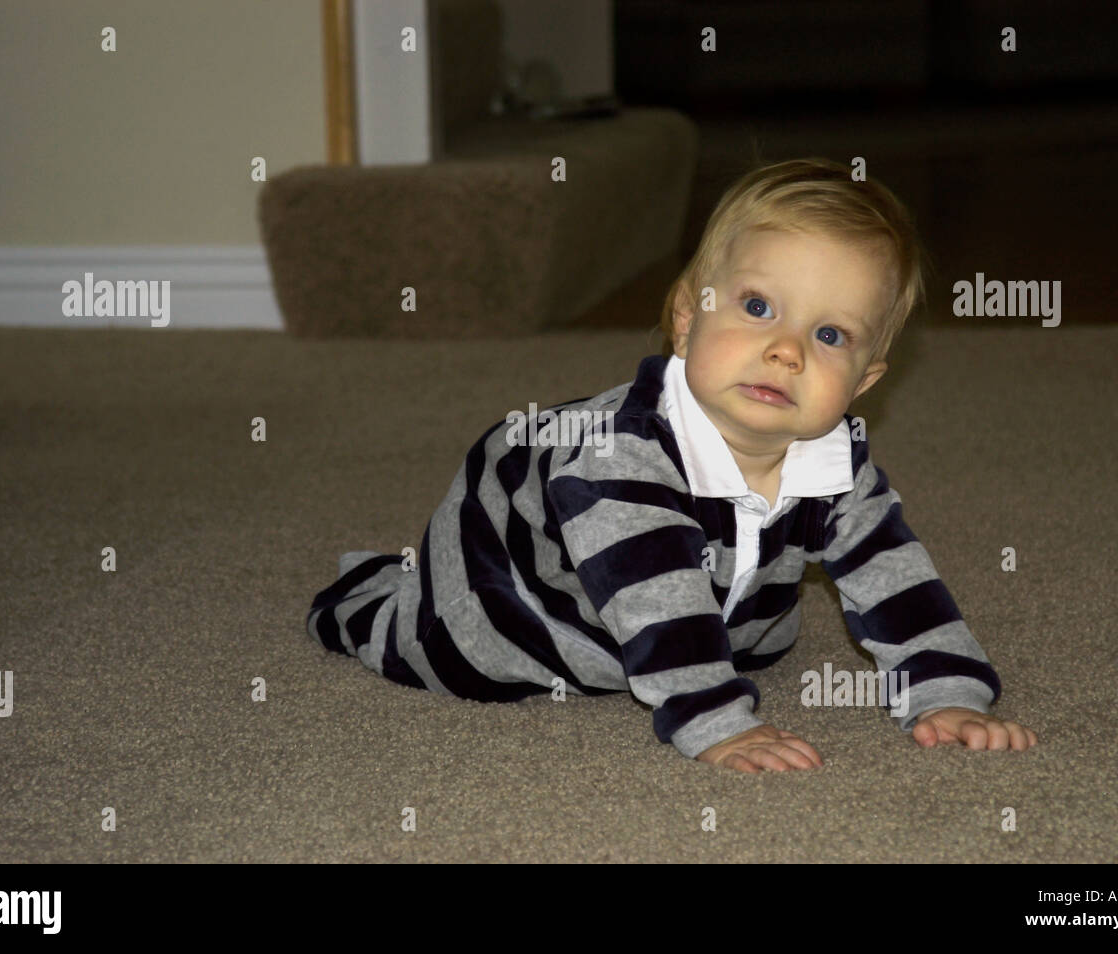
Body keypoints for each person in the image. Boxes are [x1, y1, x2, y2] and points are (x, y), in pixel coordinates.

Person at [305, 157, 1038, 773]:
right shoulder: (619, 459)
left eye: (829, 333)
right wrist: (715, 718)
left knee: (754, 636)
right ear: (687, 320)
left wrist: (946, 690)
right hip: (521, 597)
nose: (787, 351)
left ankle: (718, 633)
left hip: (713, 615)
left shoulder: (834, 464)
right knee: (438, 647)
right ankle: (369, 595)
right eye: (757, 306)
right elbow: (652, 597)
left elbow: (896, 579)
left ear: (865, 381)